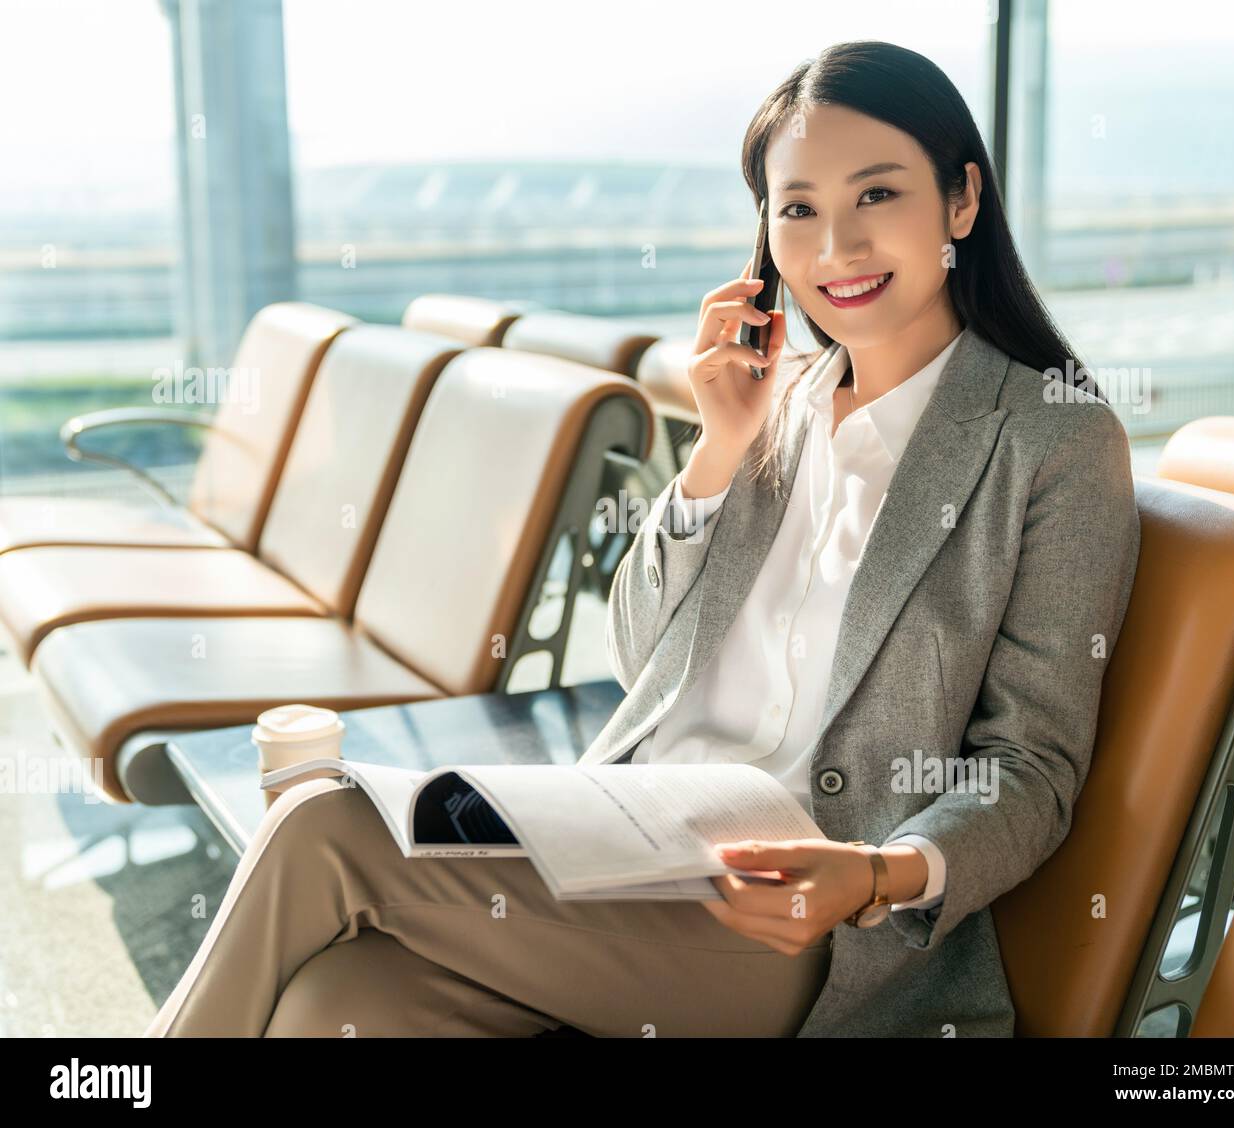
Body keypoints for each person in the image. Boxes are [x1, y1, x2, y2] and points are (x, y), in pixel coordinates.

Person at [145, 39, 1140, 1038]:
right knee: (341, 1006)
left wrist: (875, 877)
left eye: (875, 195)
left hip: (807, 926)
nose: (833, 246)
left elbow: (1032, 767)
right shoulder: (778, 406)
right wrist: (717, 451)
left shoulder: (1053, 439)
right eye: (797, 208)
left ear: (960, 202)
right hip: (635, 839)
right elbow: (635, 657)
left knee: (327, 823)